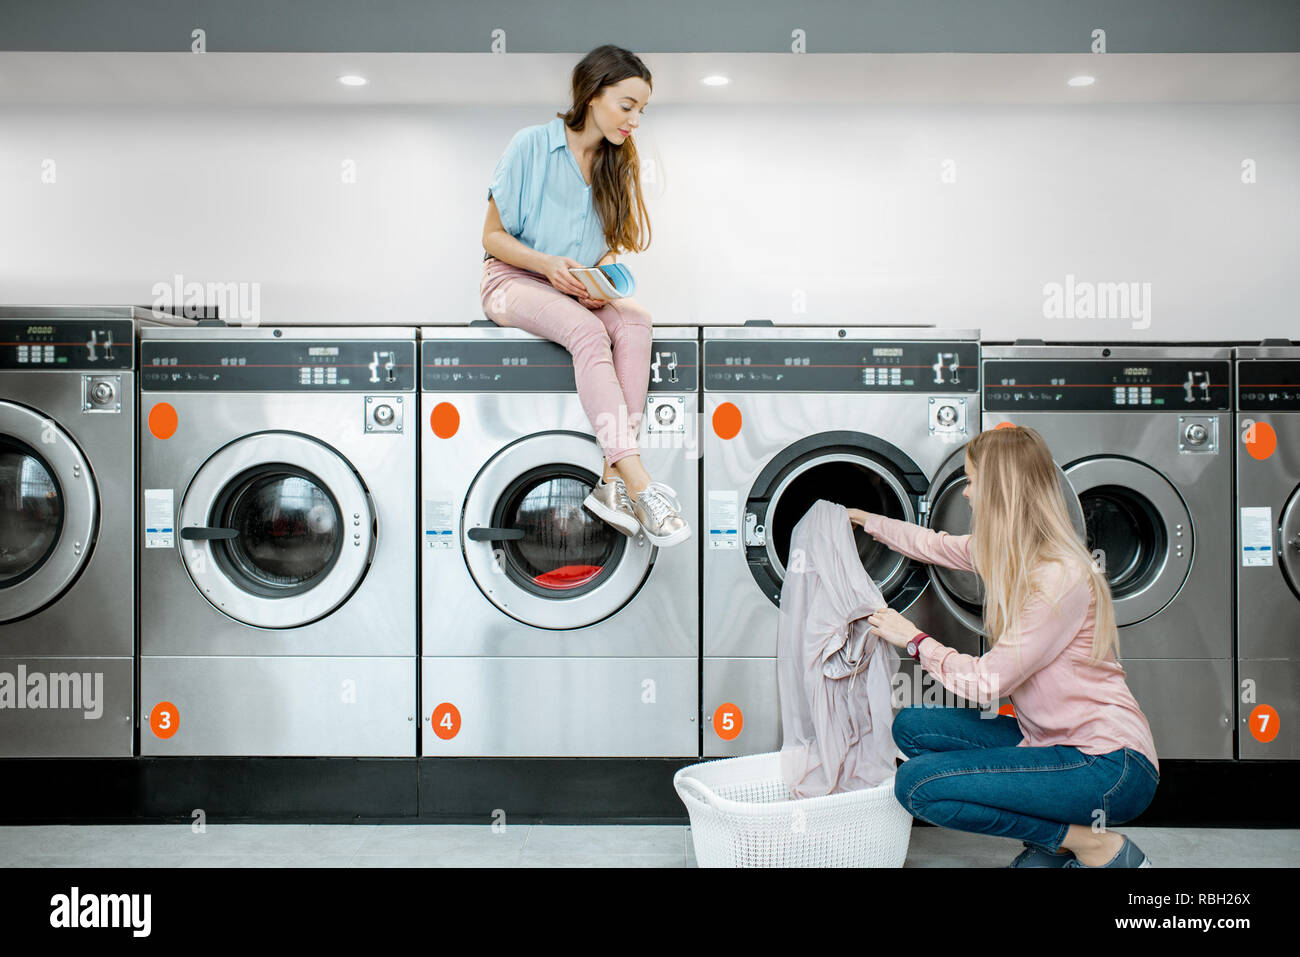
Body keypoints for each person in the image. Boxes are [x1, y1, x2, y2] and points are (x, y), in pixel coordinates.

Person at [847, 424, 1160, 868]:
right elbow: (933, 545)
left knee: (917, 785)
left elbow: (988, 682)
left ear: (1000, 489)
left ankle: (1084, 842)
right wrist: (864, 520)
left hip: (1108, 765)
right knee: (913, 727)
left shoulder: (1059, 576)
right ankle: (1062, 843)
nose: (969, 494)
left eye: (973, 481)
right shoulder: (1010, 551)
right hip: (1050, 741)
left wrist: (913, 639)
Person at [479, 44, 689, 547]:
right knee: (588, 332)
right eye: (627, 105)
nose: (635, 119)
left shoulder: (618, 163)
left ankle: (610, 483)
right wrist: (548, 266)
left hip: (574, 291)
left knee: (636, 320)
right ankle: (638, 481)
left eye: (642, 109)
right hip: (511, 282)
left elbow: (608, 250)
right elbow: (492, 237)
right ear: (593, 95)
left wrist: (603, 280)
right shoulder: (530, 145)